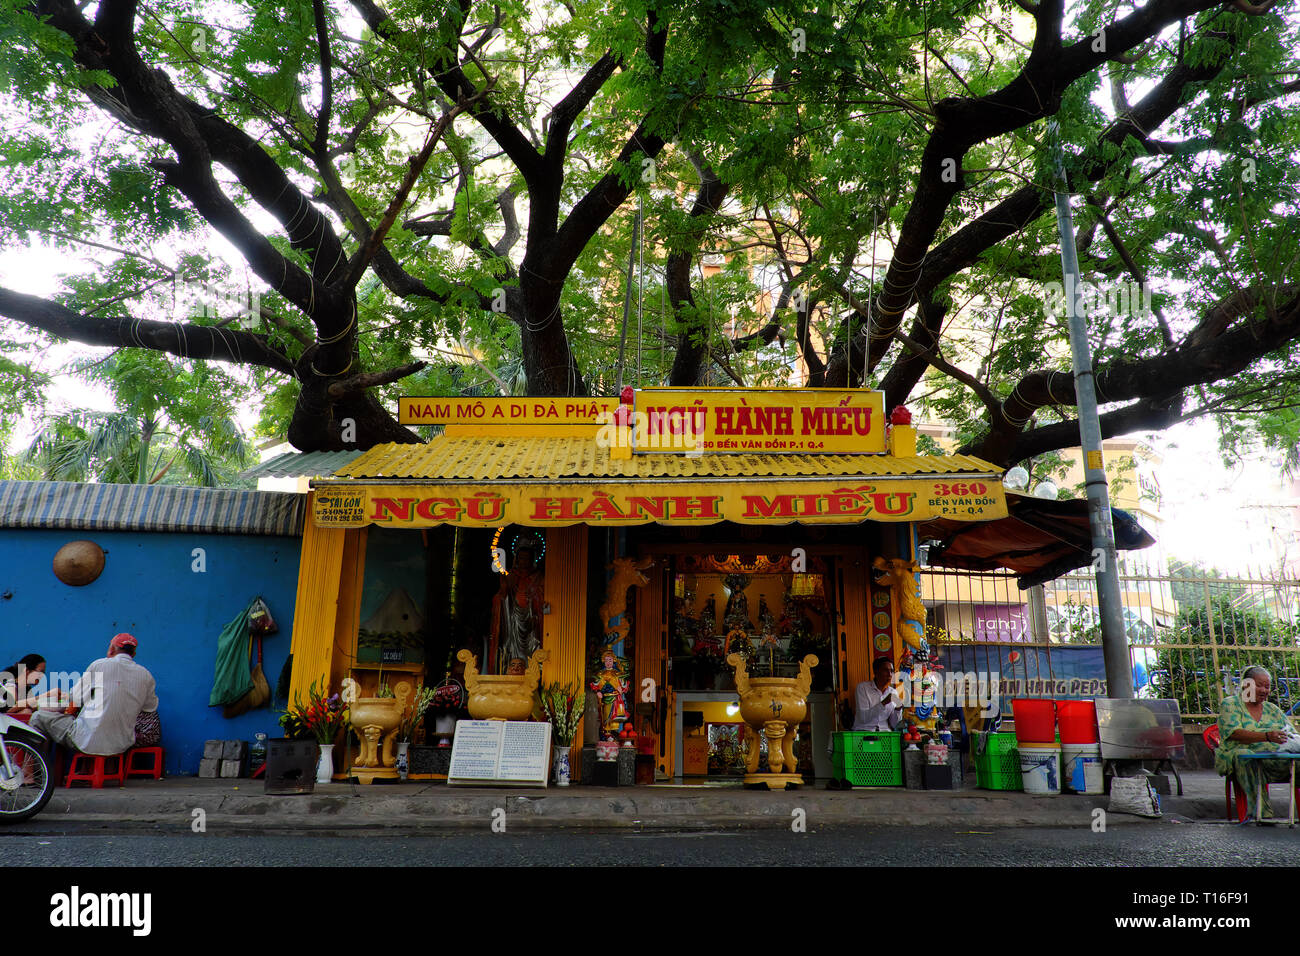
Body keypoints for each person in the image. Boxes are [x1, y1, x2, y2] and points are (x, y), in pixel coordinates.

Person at [28, 633, 158, 756]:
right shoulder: (146, 675)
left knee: (38, 717)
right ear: (133, 654)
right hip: (121, 745)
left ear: (111, 650)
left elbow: (75, 698)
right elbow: (149, 708)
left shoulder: (99, 665)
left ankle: (30, 775)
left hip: (88, 742)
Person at [1215, 665, 1292, 819]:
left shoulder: (1273, 710)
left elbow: (1291, 734)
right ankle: (1261, 814)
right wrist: (1266, 736)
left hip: (1273, 760)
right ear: (1246, 684)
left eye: (1267, 686)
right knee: (1245, 755)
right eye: (1259, 685)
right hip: (1239, 759)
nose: (1264, 690)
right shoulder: (1230, 704)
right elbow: (1234, 733)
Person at [853, 657, 902, 731]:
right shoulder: (863, 688)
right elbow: (863, 718)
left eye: (891, 671)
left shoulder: (893, 692)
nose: (889, 674)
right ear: (876, 672)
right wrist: (884, 702)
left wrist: (898, 709)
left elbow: (894, 724)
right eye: (885, 670)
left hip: (884, 733)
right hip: (864, 732)